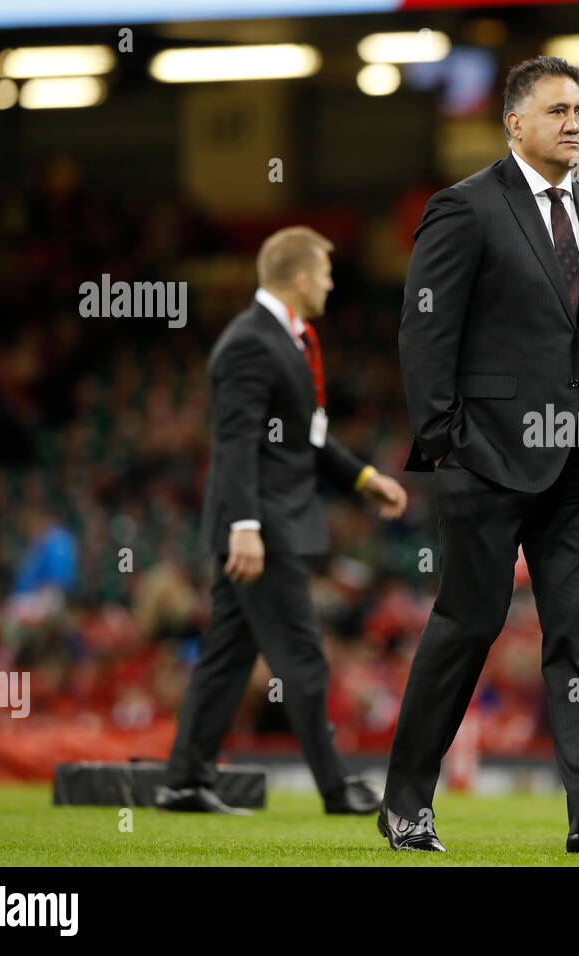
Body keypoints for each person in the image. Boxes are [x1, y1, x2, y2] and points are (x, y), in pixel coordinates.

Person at [383, 56, 579, 854]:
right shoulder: (465, 208)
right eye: (556, 111)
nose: (574, 123)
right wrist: (446, 441)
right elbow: (424, 327)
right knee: (467, 626)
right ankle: (406, 800)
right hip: (488, 458)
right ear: (514, 124)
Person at [158, 226, 408, 815]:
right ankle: (335, 787)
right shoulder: (252, 343)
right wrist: (244, 525)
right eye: (323, 272)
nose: (329, 282)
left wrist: (366, 480)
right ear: (298, 277)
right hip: (262, 528)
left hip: (267, 523)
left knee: (226, 655)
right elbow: (237, 441)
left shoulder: (292, 341)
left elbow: (311, 439)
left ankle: (186, 781)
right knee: (302, 656)